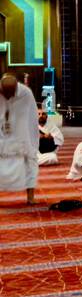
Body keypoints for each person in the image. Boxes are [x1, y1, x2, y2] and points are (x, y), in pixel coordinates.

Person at [0, 73, 39, 205]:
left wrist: (30, 141)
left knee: (29, 161)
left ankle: (30, 196)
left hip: (22, 133)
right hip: (2, 134)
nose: (7, 97)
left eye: (10, 94)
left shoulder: (25, 94)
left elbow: (31, 118)